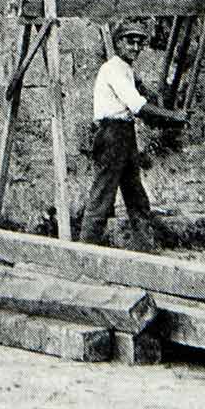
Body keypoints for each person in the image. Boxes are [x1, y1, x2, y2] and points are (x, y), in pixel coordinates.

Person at [77, 19, 184, 247]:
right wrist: (173, 117)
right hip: (111, 135)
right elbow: (138, 106)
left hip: (125, 133)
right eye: (129, 42)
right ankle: (85, 251)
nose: (135, 48)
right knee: (103, 196)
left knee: (136, 195)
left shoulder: (127, 70)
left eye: (139, 43)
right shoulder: (112, 69)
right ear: (117, 43)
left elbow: (145, 97)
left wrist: (161, 105)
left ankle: (145, 248)